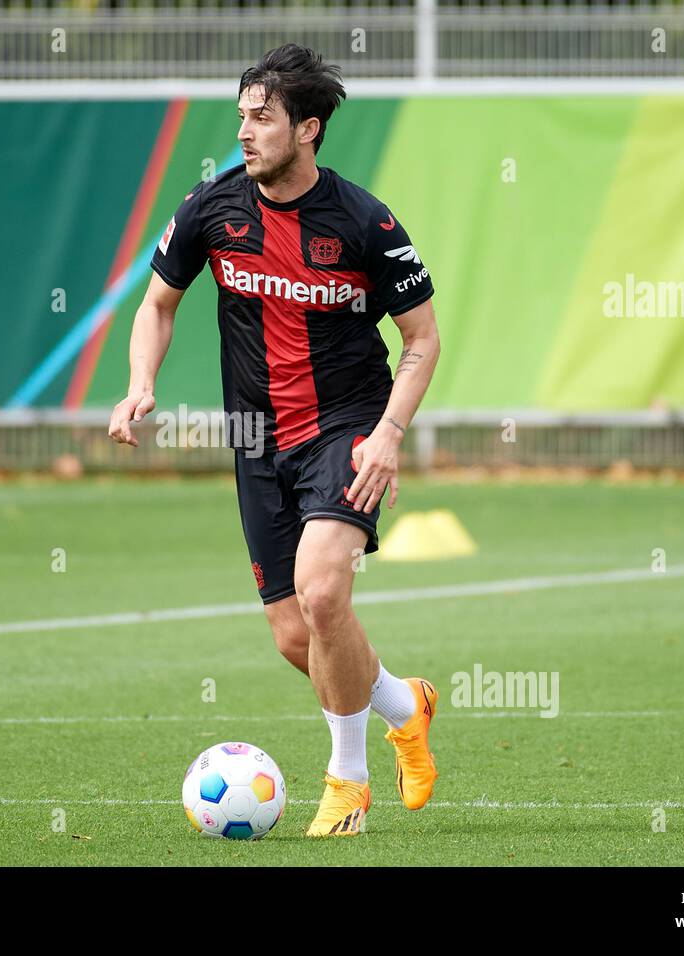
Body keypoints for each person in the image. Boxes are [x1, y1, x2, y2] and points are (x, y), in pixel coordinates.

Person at [108, 43, 442, 837]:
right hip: (257, 441)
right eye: (241, 117)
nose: (246, 133)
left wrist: (390, 434)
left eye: (263, 118)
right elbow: (158, 304)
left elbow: (423, 339)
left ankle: (347, 784)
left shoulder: (366, 222)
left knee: (326, 594)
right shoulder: (211, 209)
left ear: (309, 128)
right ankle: (404, 705)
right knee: (300, 636)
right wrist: (140, 383)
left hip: (349, 431)